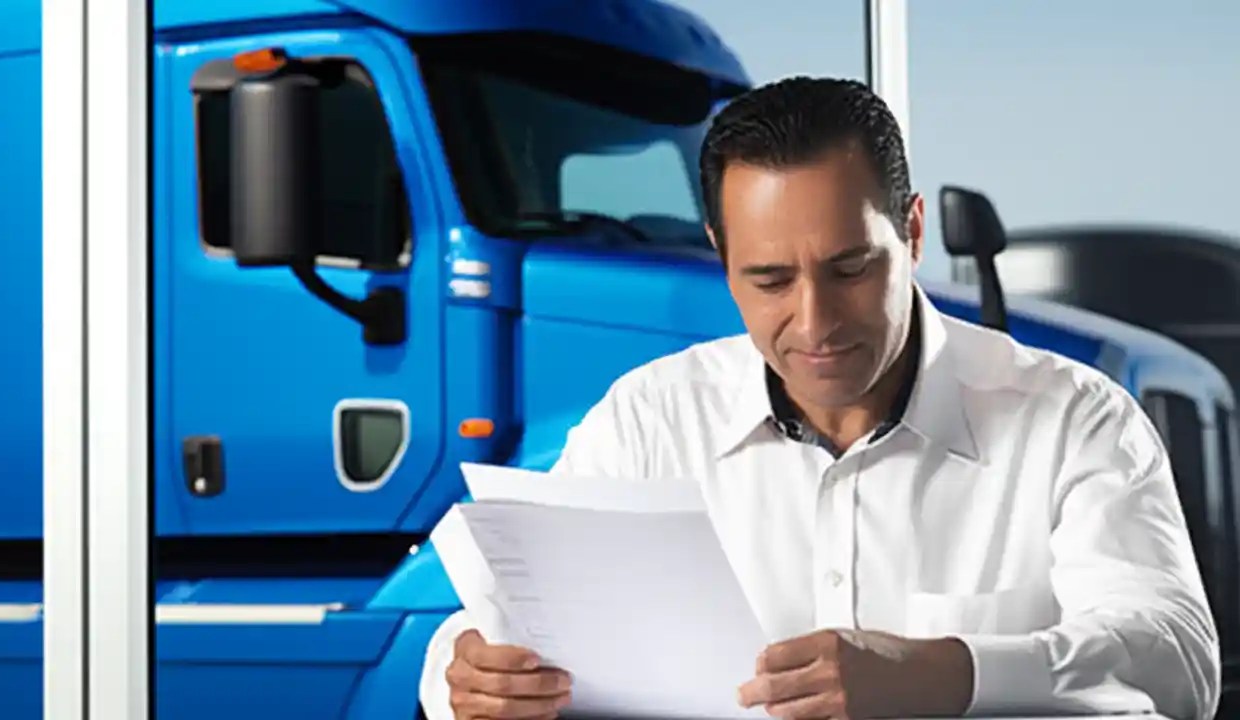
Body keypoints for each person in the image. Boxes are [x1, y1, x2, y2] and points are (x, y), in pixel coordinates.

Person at [417, 77, 1220, 720]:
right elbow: (491, 623)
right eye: (770, 280)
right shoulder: (650, 420)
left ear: (912, 233)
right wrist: (466, 672)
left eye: (850, 269)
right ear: (722, 258)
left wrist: (947, 674)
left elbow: (1178, 661)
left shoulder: (1075, 419)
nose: (815, 323)